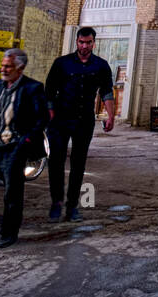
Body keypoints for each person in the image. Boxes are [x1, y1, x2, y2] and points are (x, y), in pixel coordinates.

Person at [0, 48, 49, 249]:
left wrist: (26, 142)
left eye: (8, 66)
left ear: (19, 69)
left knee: (12, 193)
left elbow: (42, 119)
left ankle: (8, 233)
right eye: (2, 65)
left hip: (14, 147)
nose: (3, 69)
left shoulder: (33, 88)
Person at [45, 27, 115, 222]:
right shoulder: (62, 63)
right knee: (56, 161)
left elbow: (107, 92)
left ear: (94, 43)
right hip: (60, 119)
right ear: (77, 42)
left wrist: (110, 116)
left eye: (88, 43)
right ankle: (56, 203)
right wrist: (50, 114)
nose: (84, 46)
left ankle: (72, 207)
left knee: (78, 163)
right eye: (81, 42)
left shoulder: (101, 66)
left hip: (84, 120)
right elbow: (49, 90)